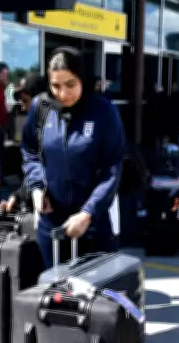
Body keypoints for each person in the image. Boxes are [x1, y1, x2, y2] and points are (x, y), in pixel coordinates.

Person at [21, 47, 125, 269]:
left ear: (82, 80)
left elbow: (112, 170)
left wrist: (88, 213)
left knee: (94, 298)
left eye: (70, 84)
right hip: (51, 223)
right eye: (55, 86)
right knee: (52, 296)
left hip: (92, 225)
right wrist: (37, 187)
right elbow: (30, 152)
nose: (62, 94)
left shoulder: (103, 111)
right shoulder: (41, 106)